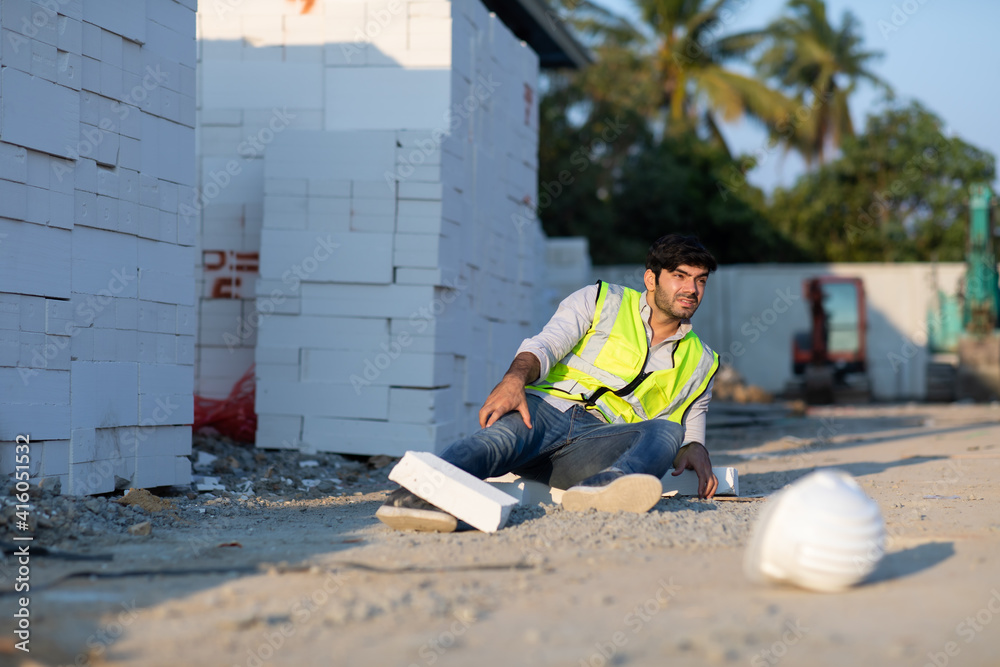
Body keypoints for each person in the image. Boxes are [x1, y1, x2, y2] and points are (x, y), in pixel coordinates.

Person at [377, 234, 720, 532]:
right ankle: (417, 496)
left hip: (595, 448)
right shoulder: (602, 300)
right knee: (496, 441)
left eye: (700, 280)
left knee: (668, 431)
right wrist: (514, 379)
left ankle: (604, 490)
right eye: (680, 276)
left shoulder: (703, 360)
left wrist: (695, 448)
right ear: (651, 278)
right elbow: (546, 345)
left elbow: (691, 425)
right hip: (544, 414)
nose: (691, 289)